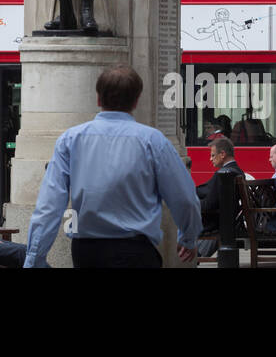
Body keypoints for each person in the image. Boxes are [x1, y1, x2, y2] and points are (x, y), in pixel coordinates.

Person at [24, 65, 201, 268]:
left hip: (88, 254)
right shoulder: (154, 141)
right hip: (137, 253)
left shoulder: (70, 140)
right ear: (136, 100)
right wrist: (188, 237)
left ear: (98, 99)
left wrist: (35, 257)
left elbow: (49, 205)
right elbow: (185, 199)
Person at [197, 138, 246, 227]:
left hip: (215, 225)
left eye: (213, 155)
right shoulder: (239, 172)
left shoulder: (222, 174)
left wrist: (190, 202)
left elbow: (208, 205)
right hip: (230, 223)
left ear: (222, 154)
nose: (210, 159)